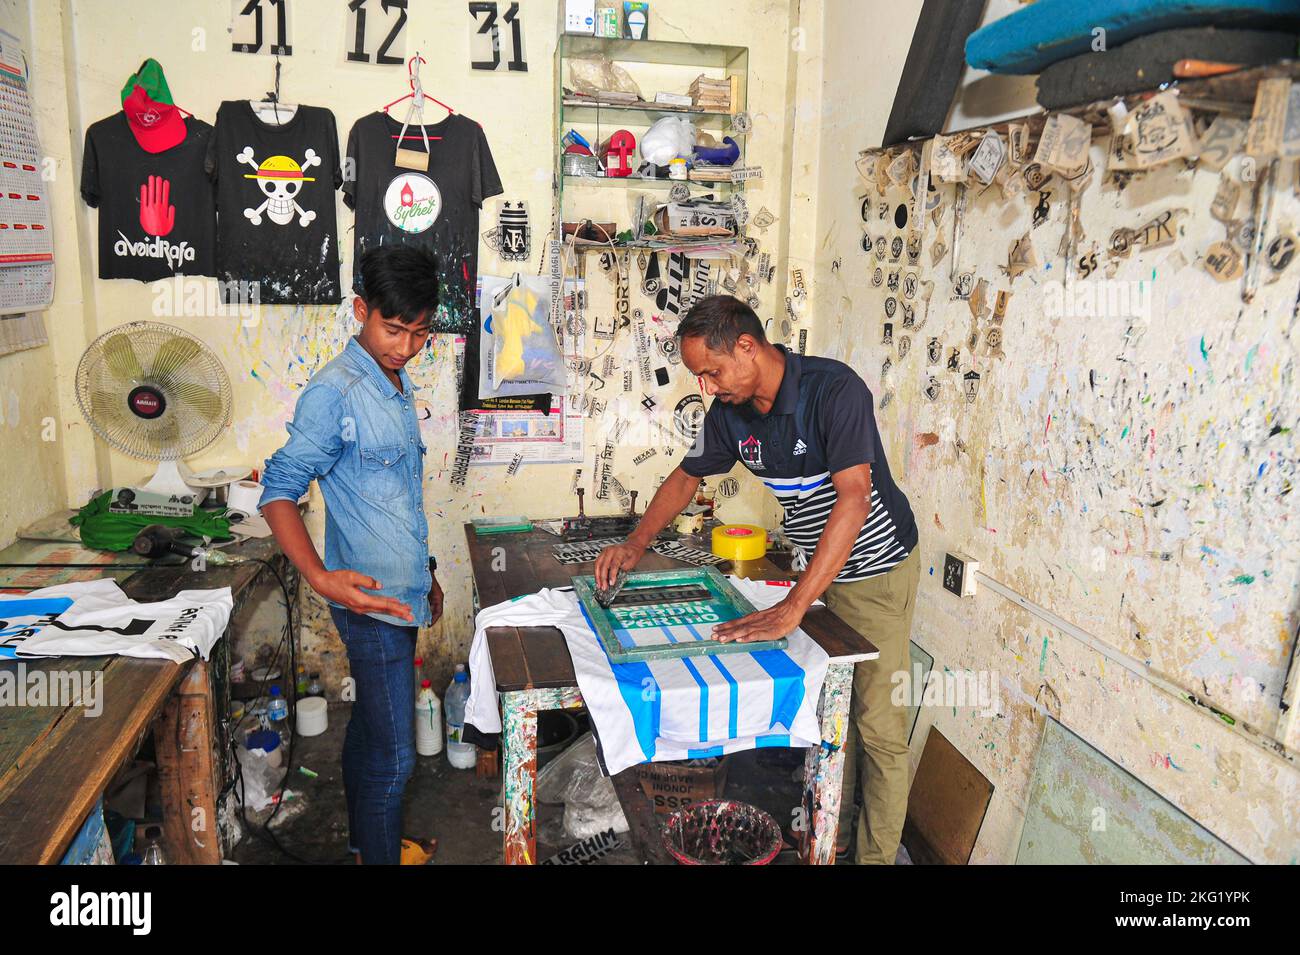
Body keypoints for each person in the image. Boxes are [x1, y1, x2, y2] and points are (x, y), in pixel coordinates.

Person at [595, 295, 919, 865]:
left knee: (880, 727)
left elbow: (854, 500)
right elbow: (686, 476)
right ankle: (826, 832)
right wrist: (635, 542)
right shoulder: (730, 414)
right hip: (811, 572)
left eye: (712, 371)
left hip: (874, 572)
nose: (708, 387)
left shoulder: (833, 391)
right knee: (824, 712)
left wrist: (795, 606)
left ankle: (874, 858)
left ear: (747, 346)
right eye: (699, 375)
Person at [259, 245, 444, 865]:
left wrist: (430, 574)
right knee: (395, 757)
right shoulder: (334, 391)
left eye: (419, 333)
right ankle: (377, 849)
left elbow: (395, 498)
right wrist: (318, 577)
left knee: (371, 729)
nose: (406, 345)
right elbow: (278, 490)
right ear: (361, 310)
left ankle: (369, 844)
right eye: (393, 329)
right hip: (370, 604)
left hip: (402, 590)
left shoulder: (394, 379)